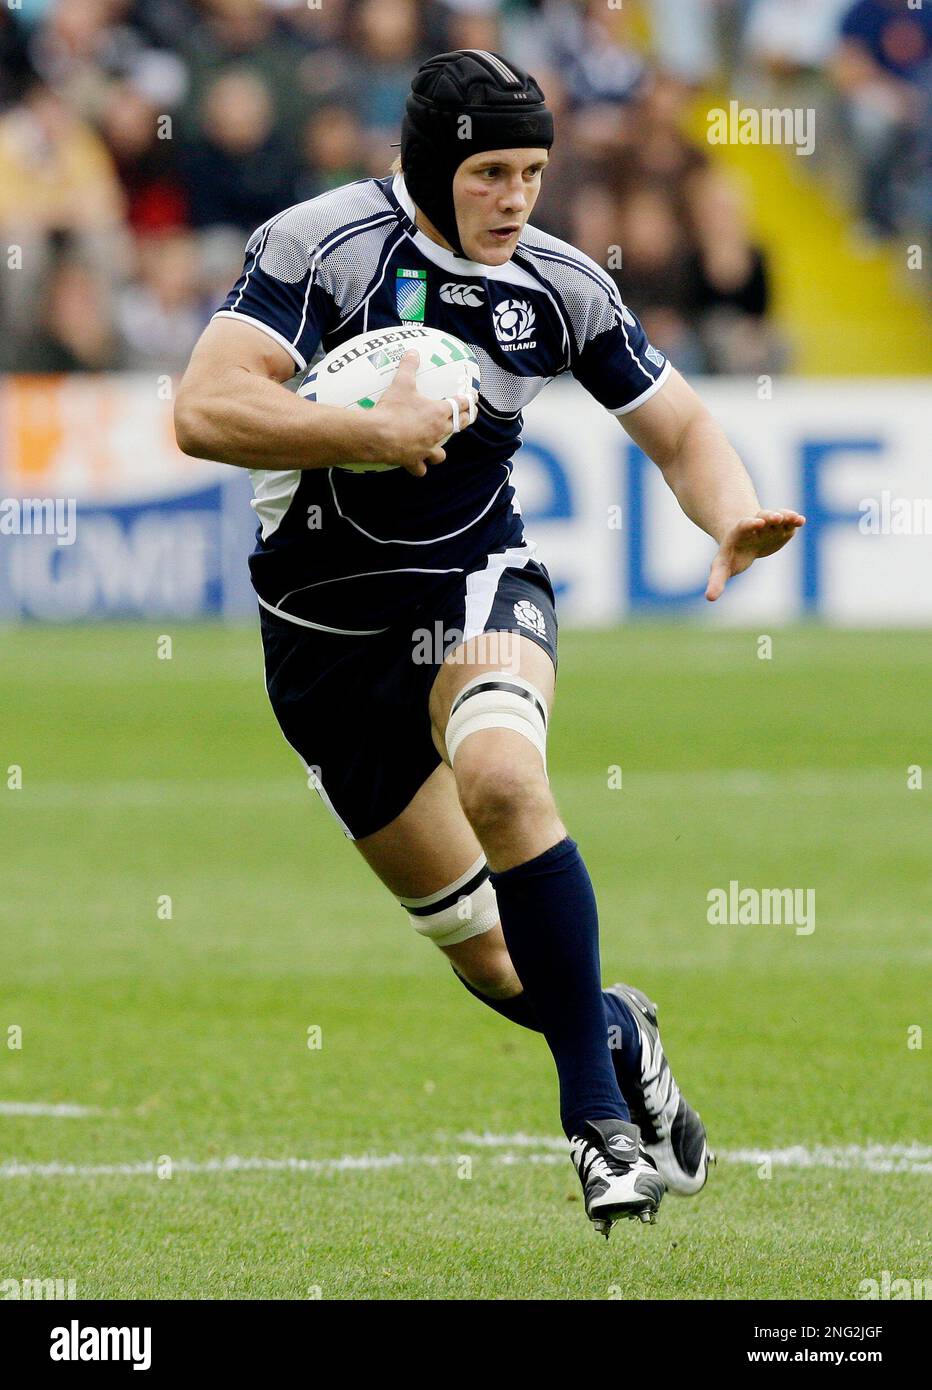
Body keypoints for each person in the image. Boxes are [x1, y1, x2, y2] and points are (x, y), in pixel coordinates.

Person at [175, 50, 804, 1238]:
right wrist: (356, 430)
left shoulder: (558, 286)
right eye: (489, 172)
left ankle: (595, 1125)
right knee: (497, 966)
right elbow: (203, 409)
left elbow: (677, 429)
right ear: (428, 164)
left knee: (507, 780)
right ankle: (620, 1036)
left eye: (532, 171)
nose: (516, 197)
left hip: (475, 587)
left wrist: (729, 513)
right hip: (319, 643)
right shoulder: (320, 248)